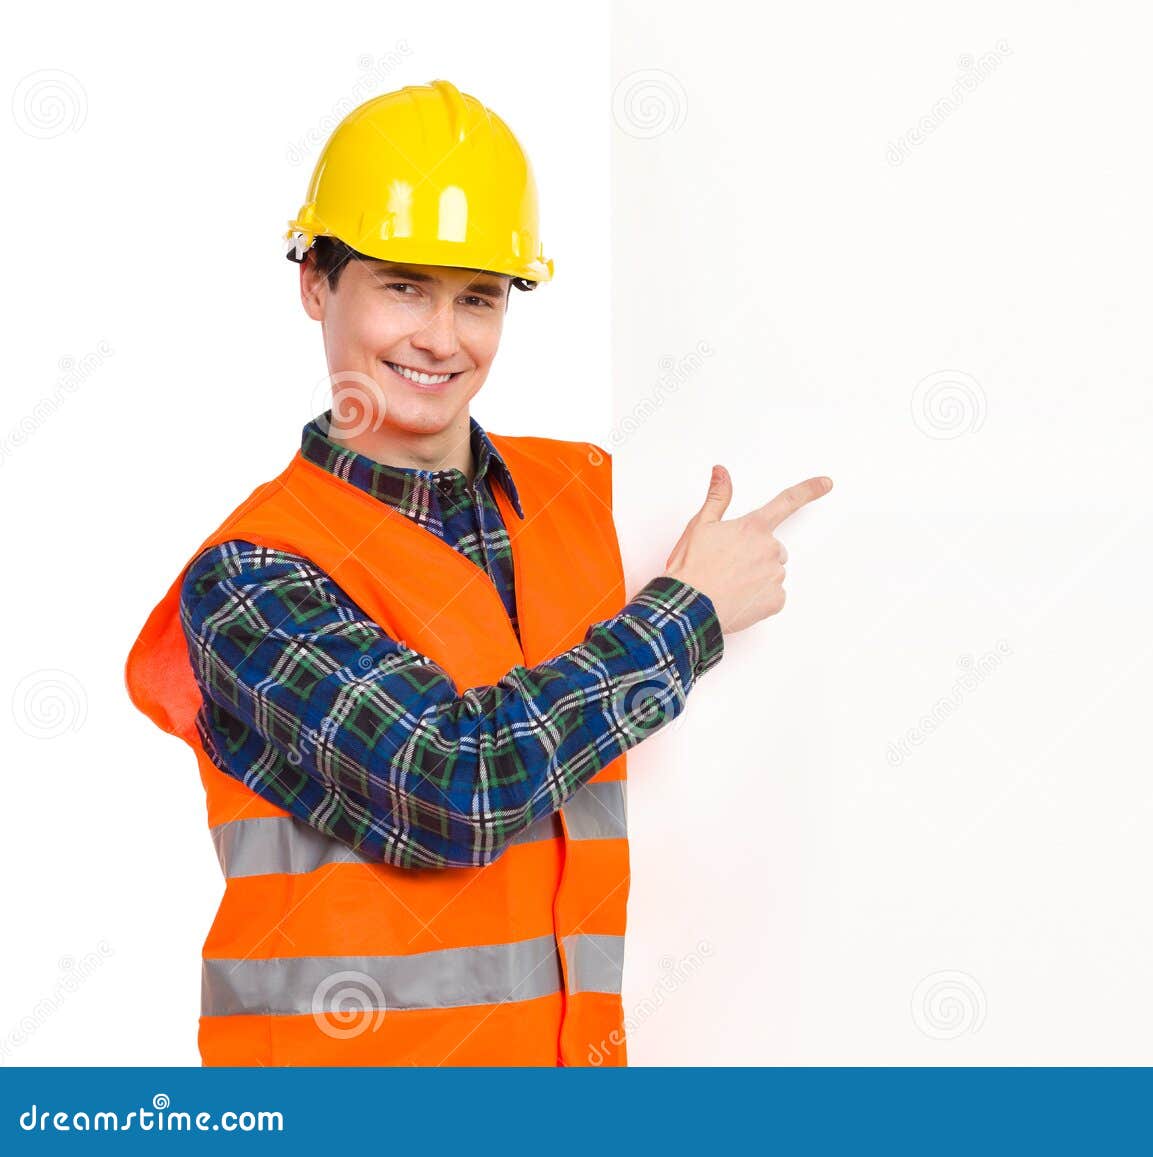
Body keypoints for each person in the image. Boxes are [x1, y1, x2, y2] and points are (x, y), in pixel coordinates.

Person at [123, 78, 832, 1067]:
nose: (442, 338)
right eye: (404, 286)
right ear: (316, 284)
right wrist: (689, 615)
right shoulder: (252, 577)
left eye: (478, 298)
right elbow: (454, 785)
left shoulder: (587, 493)